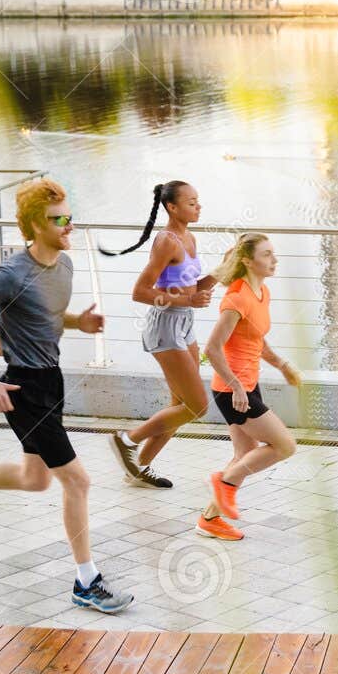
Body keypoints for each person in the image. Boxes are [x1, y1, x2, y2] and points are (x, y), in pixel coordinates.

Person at [0, 177, 133, 613]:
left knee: (35, 479)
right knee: (78, 480)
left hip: (51, 381)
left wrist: (79, 324)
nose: (69, 226)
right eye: (59, 221)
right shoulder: (10, 274)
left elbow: (49, 317)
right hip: (25, 387)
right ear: (35, 226)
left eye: (70, 218)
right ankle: (86, 582)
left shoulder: (65, 266)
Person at [107, 181, 215, 488]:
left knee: (179, 407)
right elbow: (140, 292)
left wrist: (228, 267)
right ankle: (126, 440)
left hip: (185, 323)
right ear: (172, 207)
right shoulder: (166, 241)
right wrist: (187, 301)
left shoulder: (189, 237)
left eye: (198, 201)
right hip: (164, 325)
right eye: (192, 202)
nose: (198, 206)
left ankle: (139, 468)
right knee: (197, 406)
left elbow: (196, 288)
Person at [198, 232, 302, 541]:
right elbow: (212, 349)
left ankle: (209, 520)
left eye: (273, 253)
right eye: (267, 254)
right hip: (233, 391)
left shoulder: (261, 292)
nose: (275, 259)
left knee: (244, 454)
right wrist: (238, 388)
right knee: (285, 446)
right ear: (247, 260)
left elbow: (256, 339)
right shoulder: (237, 298)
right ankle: (224, 483)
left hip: (246, 385)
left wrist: (282, 366)